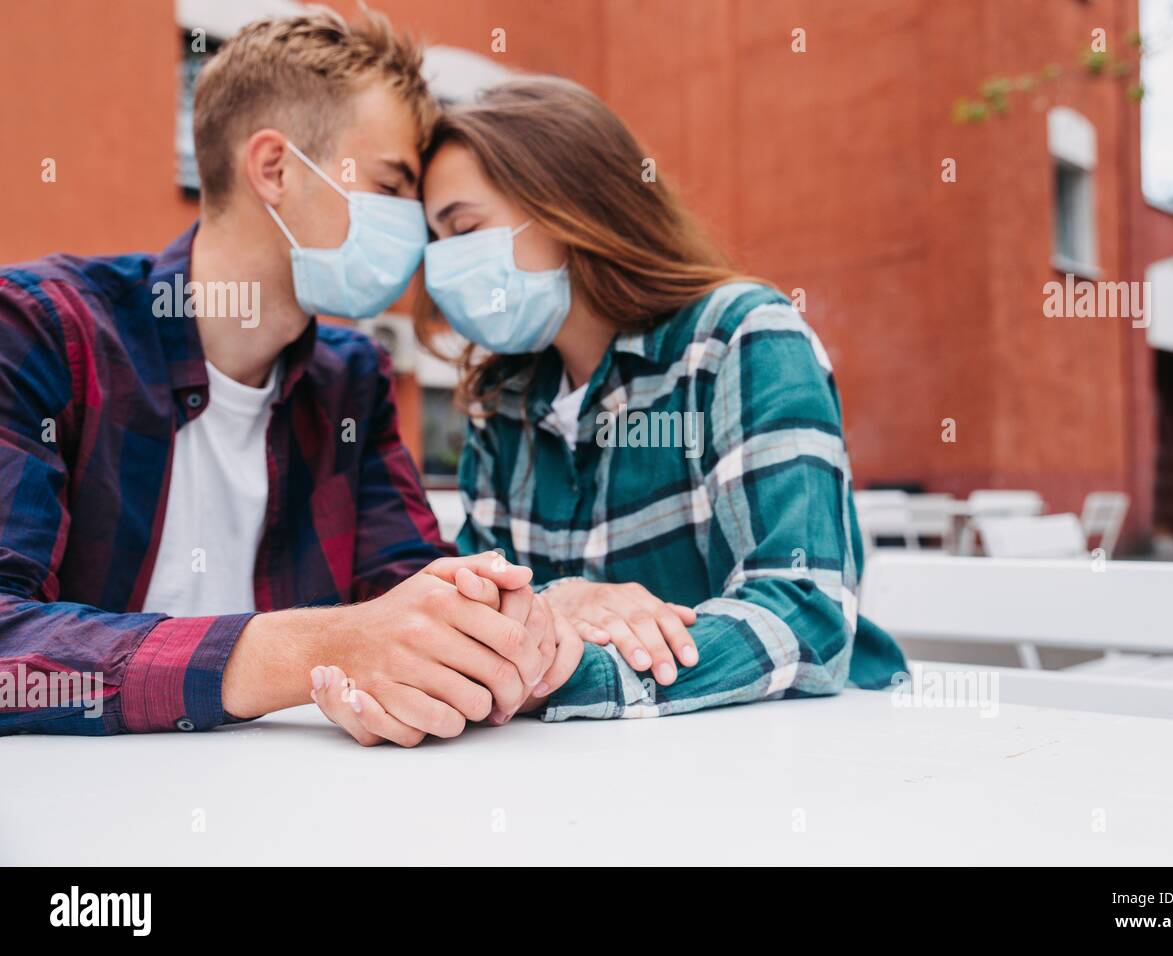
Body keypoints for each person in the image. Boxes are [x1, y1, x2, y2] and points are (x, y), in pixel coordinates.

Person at [0, 11, 563, 742]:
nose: (413, 234)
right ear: (274, 168)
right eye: (390, 188)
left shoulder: (352, 382)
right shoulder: (42, 332)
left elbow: (409, 595)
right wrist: (309, 651)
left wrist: (526, 615)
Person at [311, 76, 905, 740]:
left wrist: (572, 671)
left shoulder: (739, 339)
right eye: (436, 239)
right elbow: (483, 615)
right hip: (581, 774)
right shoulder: (502, 404)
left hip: (812, 754)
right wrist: (535, 620)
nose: (443, 265)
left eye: (465, 228)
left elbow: (805, 612)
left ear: (569, 206)